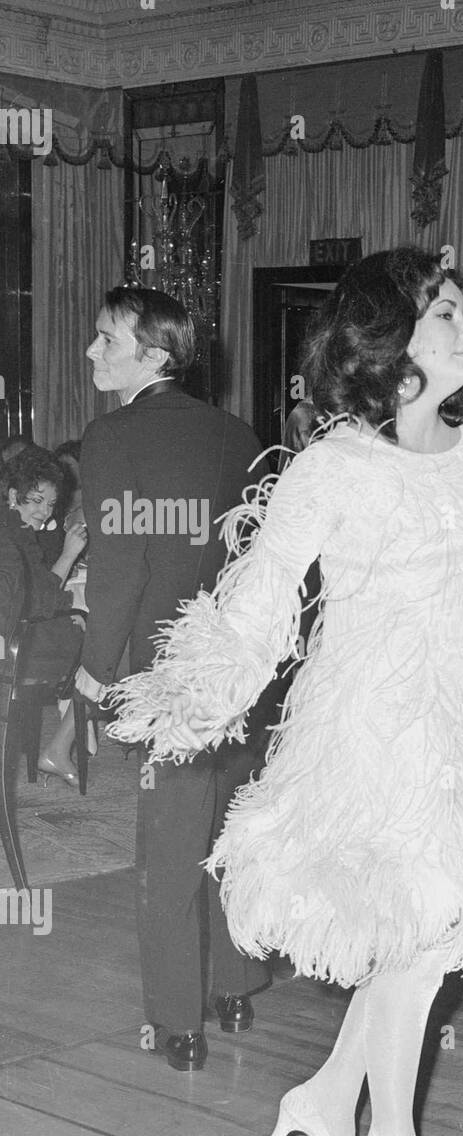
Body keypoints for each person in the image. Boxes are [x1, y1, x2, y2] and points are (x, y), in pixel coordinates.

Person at [107, 250, 463, 1136]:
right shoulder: (332, 466)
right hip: (368, 730)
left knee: (423, 935)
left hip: (462, 721)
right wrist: (187, 694)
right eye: (447, 315)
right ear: (392, 342)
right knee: (422, 933)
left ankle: (323, 1094)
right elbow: (257, 603)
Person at [75, 285, 271, 1072]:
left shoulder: (112, 436)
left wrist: (93, 674)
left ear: (155, 355)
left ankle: (176, 1023)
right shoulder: (238, 432)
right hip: (236, 666)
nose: (92, 352)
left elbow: (121, 567)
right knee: (225, 832)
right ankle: (233, 991)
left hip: (164, 675)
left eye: (106, 341)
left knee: (168, 847)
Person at [0, 445, 88, 780]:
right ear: (13, 497)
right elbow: (37, 603)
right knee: (103, 646)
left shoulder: (17, 530)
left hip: (15, 638)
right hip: (18, 649)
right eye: (36, 501)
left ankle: (61, 747)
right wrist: (69, 554)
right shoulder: (13, 538)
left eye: (50, 504)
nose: (45, 512)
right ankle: (59, 748)